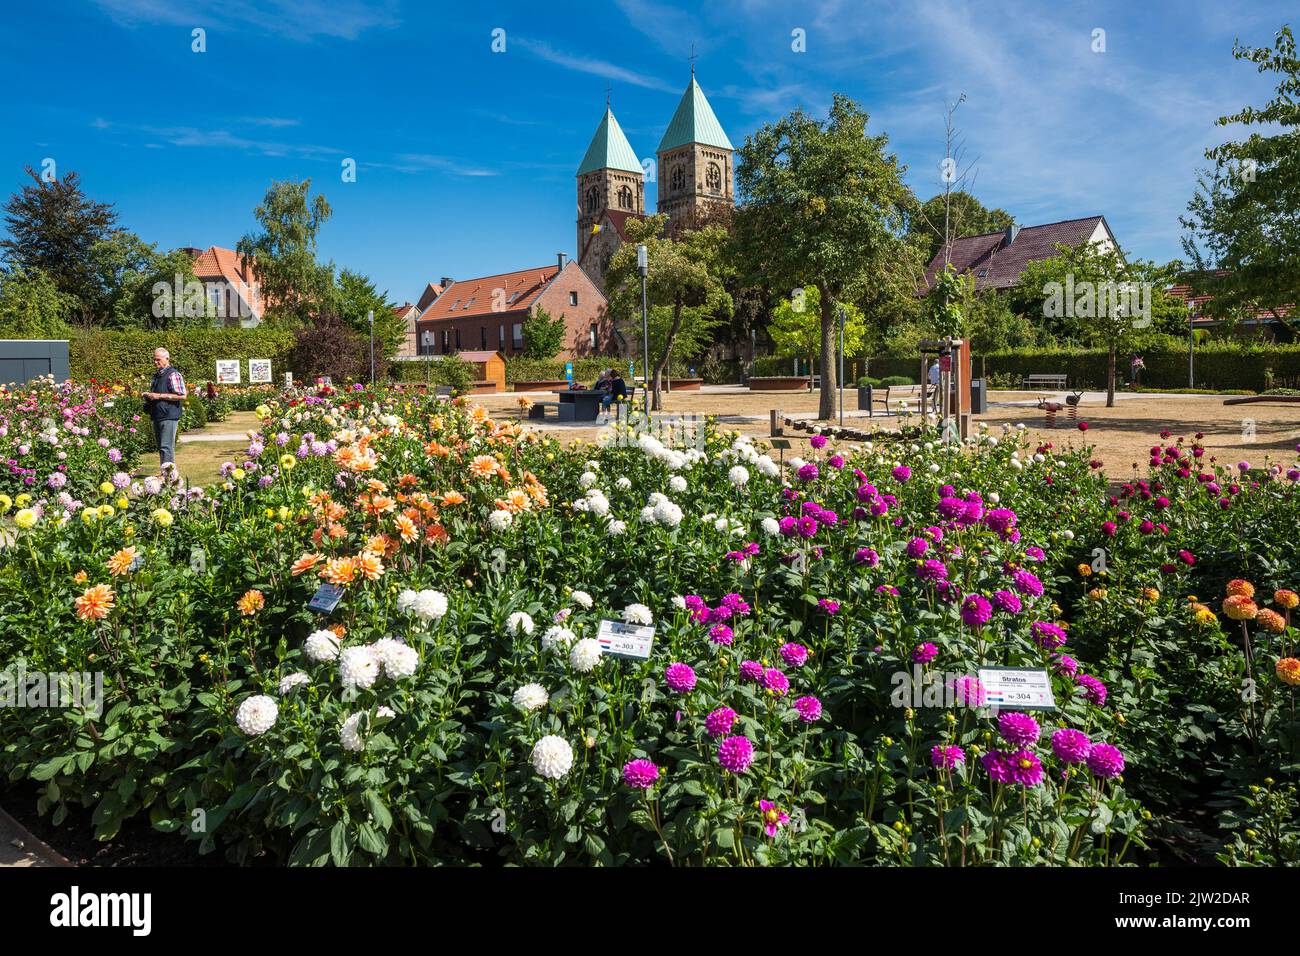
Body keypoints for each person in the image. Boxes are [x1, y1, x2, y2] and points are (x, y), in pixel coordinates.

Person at [142, 347, 187, 472]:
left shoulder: (173, 374)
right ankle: (165, 473)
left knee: (166, 447)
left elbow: (182, 395)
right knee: (161, 447)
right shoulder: (157, 375)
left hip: (169, 415)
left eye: (158, 360)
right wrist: (149, 395)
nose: (155, 362)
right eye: (154, 360)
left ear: (167, 358)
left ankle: (168, 476)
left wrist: (159, 396)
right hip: (158, 414)